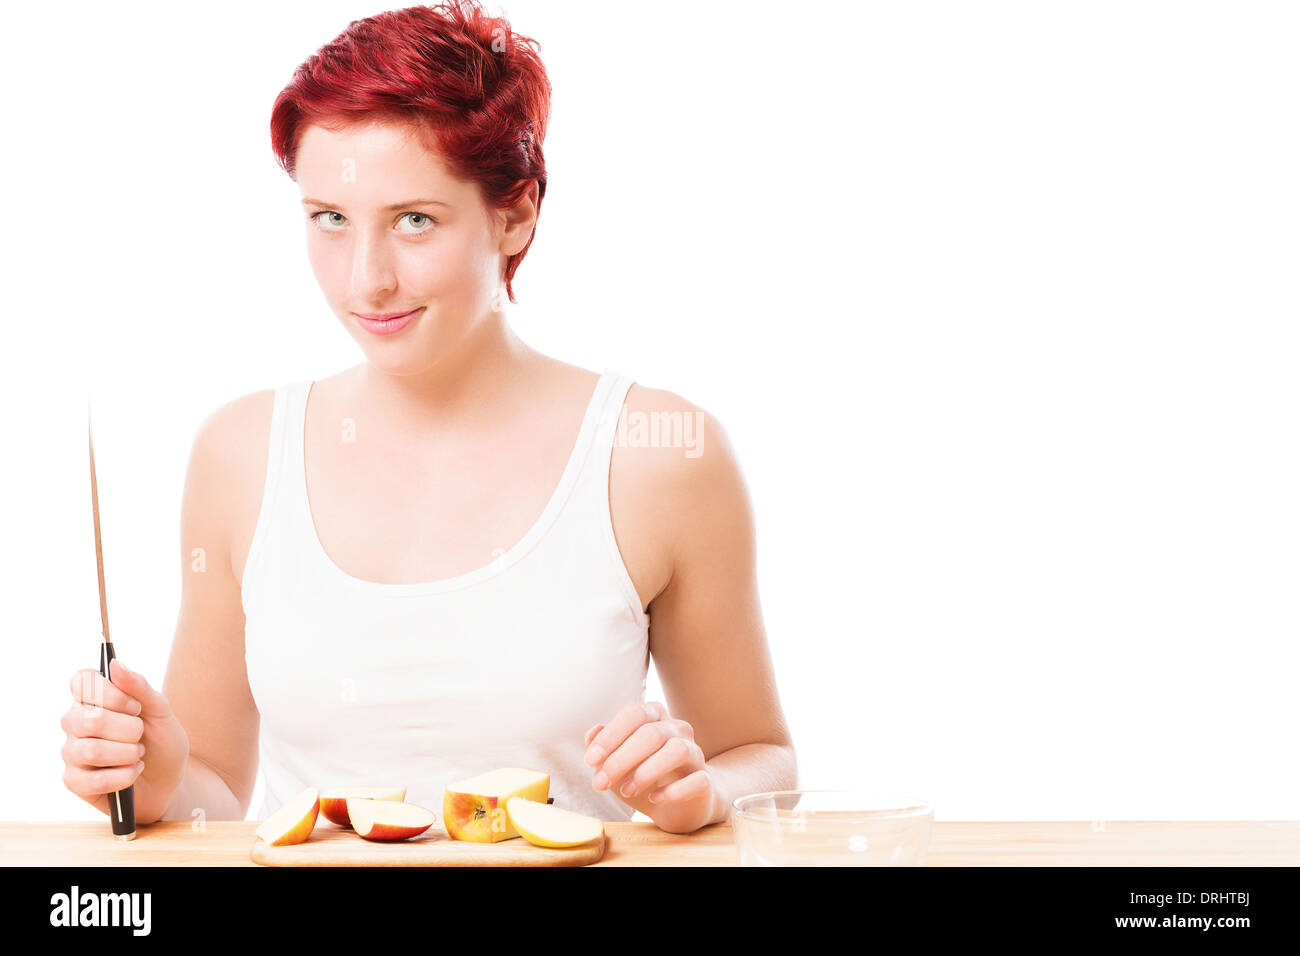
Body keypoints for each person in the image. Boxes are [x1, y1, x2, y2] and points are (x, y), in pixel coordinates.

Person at [60, 0, 795, 835]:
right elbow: (219, 791)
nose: (364, 281)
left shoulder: (660, 455)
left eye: (415, 220)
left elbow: (762, 757)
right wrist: (155, 783)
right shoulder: (240, 453)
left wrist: (702, 793)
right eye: (329, 220)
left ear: (515, 213)